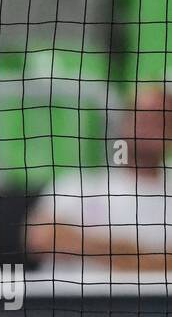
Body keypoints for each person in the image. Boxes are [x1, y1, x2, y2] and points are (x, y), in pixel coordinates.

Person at [26, 84, 172, 279]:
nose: (146, 125)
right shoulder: (78, 184)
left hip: (152, 307)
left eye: (158, 118)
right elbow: (42, 238)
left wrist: (82, 243)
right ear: (124, 122)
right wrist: (132, 253)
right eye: (140, 115)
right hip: (67, 303)